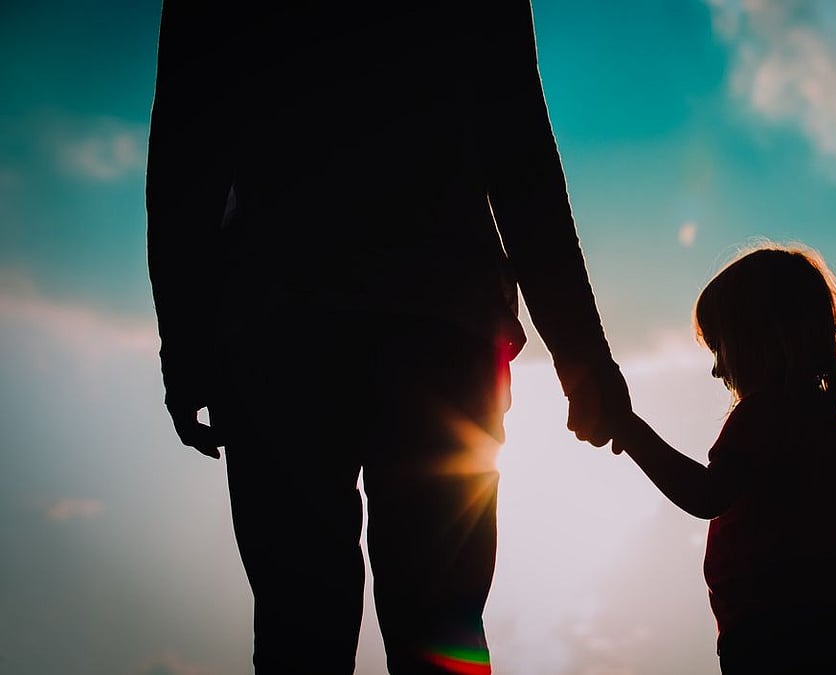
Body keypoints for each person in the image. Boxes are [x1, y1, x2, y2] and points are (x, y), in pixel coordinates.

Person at [146, 2, 629, 673]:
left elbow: (183, 146)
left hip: (282, 324)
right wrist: (581, 353)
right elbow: (517, 148)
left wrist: (185, 338)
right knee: (438, 625)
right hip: (435, 323)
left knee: (300, 627)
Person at [612, 244, 836, 674]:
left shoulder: (763, 418)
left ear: (759, 338)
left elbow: (706, 495)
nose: (718, 370)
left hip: (771, 645)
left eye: (721, 348)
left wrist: (628, 428)